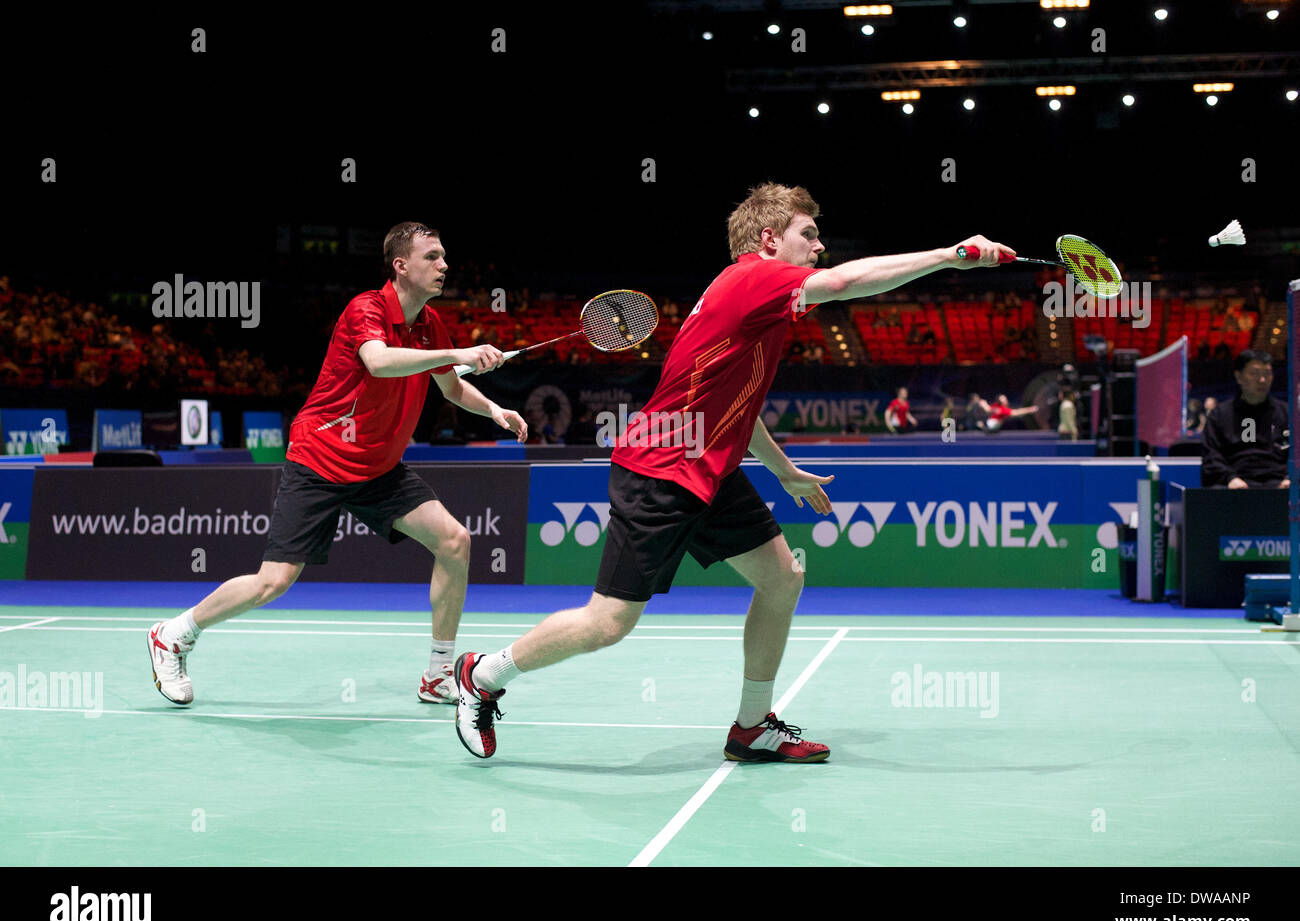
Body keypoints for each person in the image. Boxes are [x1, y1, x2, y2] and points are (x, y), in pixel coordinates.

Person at [451, 182, 1014, 762]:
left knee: (780, 579)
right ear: (769, 240)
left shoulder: (758, 300)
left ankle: (752, 727)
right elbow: (846, 283)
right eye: (809, 235)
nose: (818, 247)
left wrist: (784, 471)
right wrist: (952, 255)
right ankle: (483, 675)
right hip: (660, 470)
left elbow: (737, 408)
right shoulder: (752, 279)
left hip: (708, 468)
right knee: (608, 621)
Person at [147, 223, 528, 706]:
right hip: (321, 460)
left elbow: (451, 387)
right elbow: (380, 361)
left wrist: (493, 409)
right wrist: (460, 353)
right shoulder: (365, 309)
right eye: (432, 256)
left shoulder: (429, 322)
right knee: (274, 582)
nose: (443, 265)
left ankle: (437, 673)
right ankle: (174, 634)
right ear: (400, 265)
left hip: (378, 468)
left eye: (444, 256)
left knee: (455, 541)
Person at [1201, 350, 1290, 489]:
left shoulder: (1288, 414)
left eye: (1267, 373)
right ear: (1239, 377)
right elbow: (1211, 457)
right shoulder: (1219, 415)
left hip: (1279, 485)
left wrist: (1290, 478)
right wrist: (1230, 478)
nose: (1262, 380)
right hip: (1234, 486)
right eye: (1254, 373)